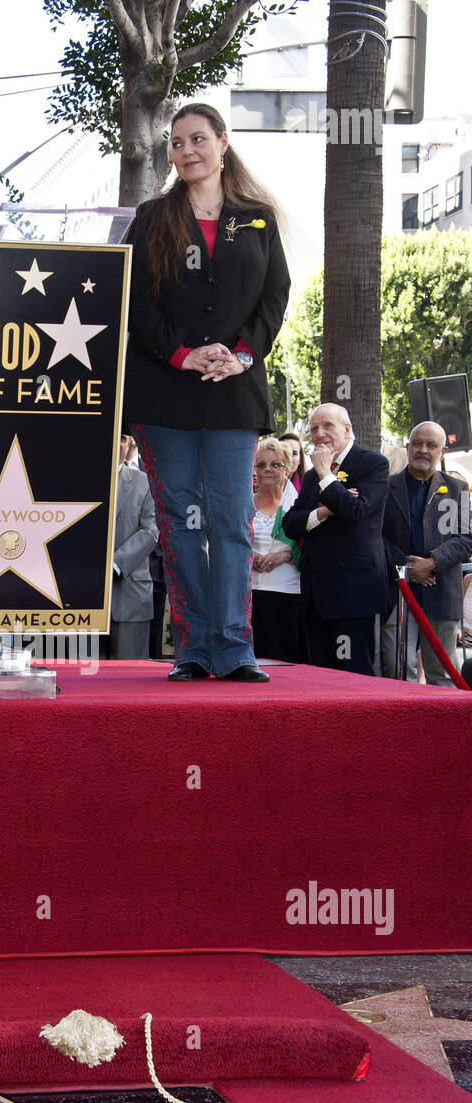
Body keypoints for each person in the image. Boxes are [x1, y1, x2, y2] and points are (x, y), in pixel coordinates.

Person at [125, 102, 290, 683]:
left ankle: (234, 646)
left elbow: (275, 298)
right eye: (176, 143)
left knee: (230, 521)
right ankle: (193, 647)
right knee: (180, 522)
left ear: (223, 142)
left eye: (198, 139)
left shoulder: (259, 218)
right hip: (165, 393)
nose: (186, 151)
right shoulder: (151, 218)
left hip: (233, 395)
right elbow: (134, 301)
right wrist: (182, 353)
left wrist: (241, 354)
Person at [283, 403, 389, 677]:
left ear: (347, 429)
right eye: (314, 428)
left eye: (327, 426)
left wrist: (326, 476)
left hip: (353, 593)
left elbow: (355, 511)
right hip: (316, 591)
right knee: (318, 675)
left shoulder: (372, 464)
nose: (320, 434)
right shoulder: (310, 476)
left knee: (353, 674)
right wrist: (323, 511)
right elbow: (291, 525)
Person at [381, 421, 472, 684]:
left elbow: (467, 537)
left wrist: (432, 562)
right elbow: (376, 536)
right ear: (407, 447)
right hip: (397, 591)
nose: (423, 450)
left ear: (442, 451)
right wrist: (406, 567)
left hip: (441, 591)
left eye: (431, 445)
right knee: (396, 669)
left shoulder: (458, 488)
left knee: (441, 674)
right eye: (417, 444)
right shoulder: (387, 487)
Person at [250, 437, 301, 663]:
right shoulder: (245, 505)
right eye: (262, 464)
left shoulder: (298, 506)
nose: (268, 469)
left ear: (287, 470)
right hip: (249, 594)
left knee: (284, 660)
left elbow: (312, 548)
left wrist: (285, 556)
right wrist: (248, 557)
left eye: (275, 464)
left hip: (288, 593)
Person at [109, 435, 159, 659]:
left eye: (121, 438)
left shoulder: (145, 482)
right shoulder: (76, 479)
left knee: (128, 676)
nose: (114, 442)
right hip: (83, 602)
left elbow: (151, 530)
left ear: (129, 444)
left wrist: (115, 564)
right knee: (83, 678)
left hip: (129, 593)